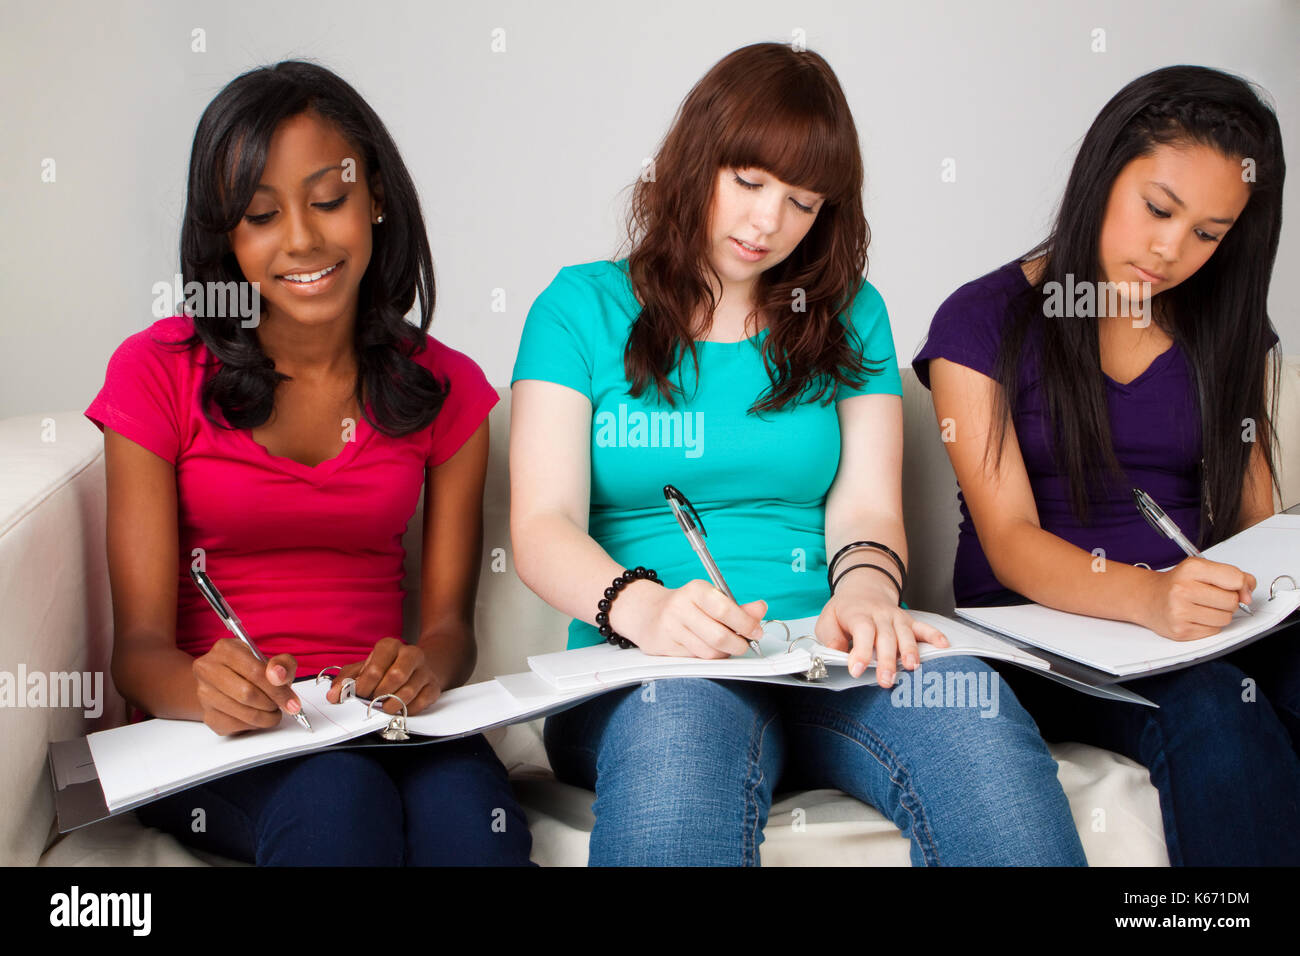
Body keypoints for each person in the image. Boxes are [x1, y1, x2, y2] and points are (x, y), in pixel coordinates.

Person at [509, 42, 1086, 866]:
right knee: (682, 734)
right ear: (692, 161)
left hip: (827, 653)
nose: (766, 224)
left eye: (802, 202)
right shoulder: (577, 308)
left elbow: (867, 508)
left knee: (973, 711)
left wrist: (864, 591)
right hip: (648, 665)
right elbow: (542, 524)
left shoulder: (852, 312)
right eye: (747, 183)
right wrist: (646, 611)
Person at [85, 61, 532, 866]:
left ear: (377, 198)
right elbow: (139, 651)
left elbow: (447, 631)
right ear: (226, 237)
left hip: (381, 722)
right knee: (337, 801)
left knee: (476, 830)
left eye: (329, 200)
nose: (302, 238)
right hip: (220, 739)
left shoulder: (446, 389)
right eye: (260, 215)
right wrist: (206, 689)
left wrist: (419, 667)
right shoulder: (154, 373)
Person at [915, 64, 1300, 865]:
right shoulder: (981, 322)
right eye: (1158, 209)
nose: (1171, 250)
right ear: (1103, 169)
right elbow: (1008, 540)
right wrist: (1150, 598)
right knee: (1215, 711)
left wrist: (1255, 589)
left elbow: (1254, 525)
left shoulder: (1223, 327)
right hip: (1048, 640)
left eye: (1208, 233)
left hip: (1197, 629)